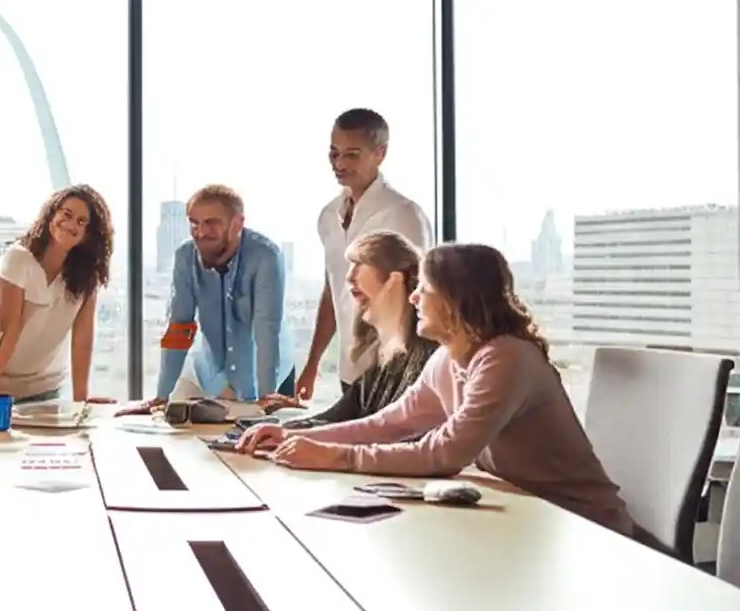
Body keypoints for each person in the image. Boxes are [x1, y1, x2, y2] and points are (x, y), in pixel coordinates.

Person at [239, 243, 635, 536]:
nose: (413, 298)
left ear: (454, 299)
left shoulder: (506, 358)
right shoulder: (449, 357)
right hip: (527, 515)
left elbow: (445, 453)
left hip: (584, 527)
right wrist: (294, 435)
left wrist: (334, 456)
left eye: (423, 288)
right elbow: (389, 424)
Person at [119, 184, 295, 415]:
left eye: (211, 223)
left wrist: (266, 401)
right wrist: (162, 397)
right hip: (210, 371)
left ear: (237, 224)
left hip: (266, 373)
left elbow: (266, 331)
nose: (200, 232)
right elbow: (179, 326)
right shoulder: (185, 257)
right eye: (194, 223)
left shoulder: (265, 256)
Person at [300, 108, 432, 400]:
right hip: (350, 371)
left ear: (380, 153)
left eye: (352, 154)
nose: (339, 163)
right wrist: (312, 364)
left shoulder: (403, 215)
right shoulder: (328, 217)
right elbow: (332, 291)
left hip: (395, 371)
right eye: (334, 153)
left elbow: (419, 297)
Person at [262, 231, 438, 428]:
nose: (350, 277)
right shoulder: (388, 355)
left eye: (360, 265)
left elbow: (387, 432)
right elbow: (342, 416)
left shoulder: (428, 357)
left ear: (394, 279)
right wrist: (284, 429)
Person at [0, 185, 116, 404]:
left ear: (88, 235)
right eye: (66, 214)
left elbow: (82, 339)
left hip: (46, 391)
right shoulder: (18, 259)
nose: (71, 224)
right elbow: (7, 330)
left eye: (81, 222)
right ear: (52, 214)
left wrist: (82, 401)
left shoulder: (87, 276)